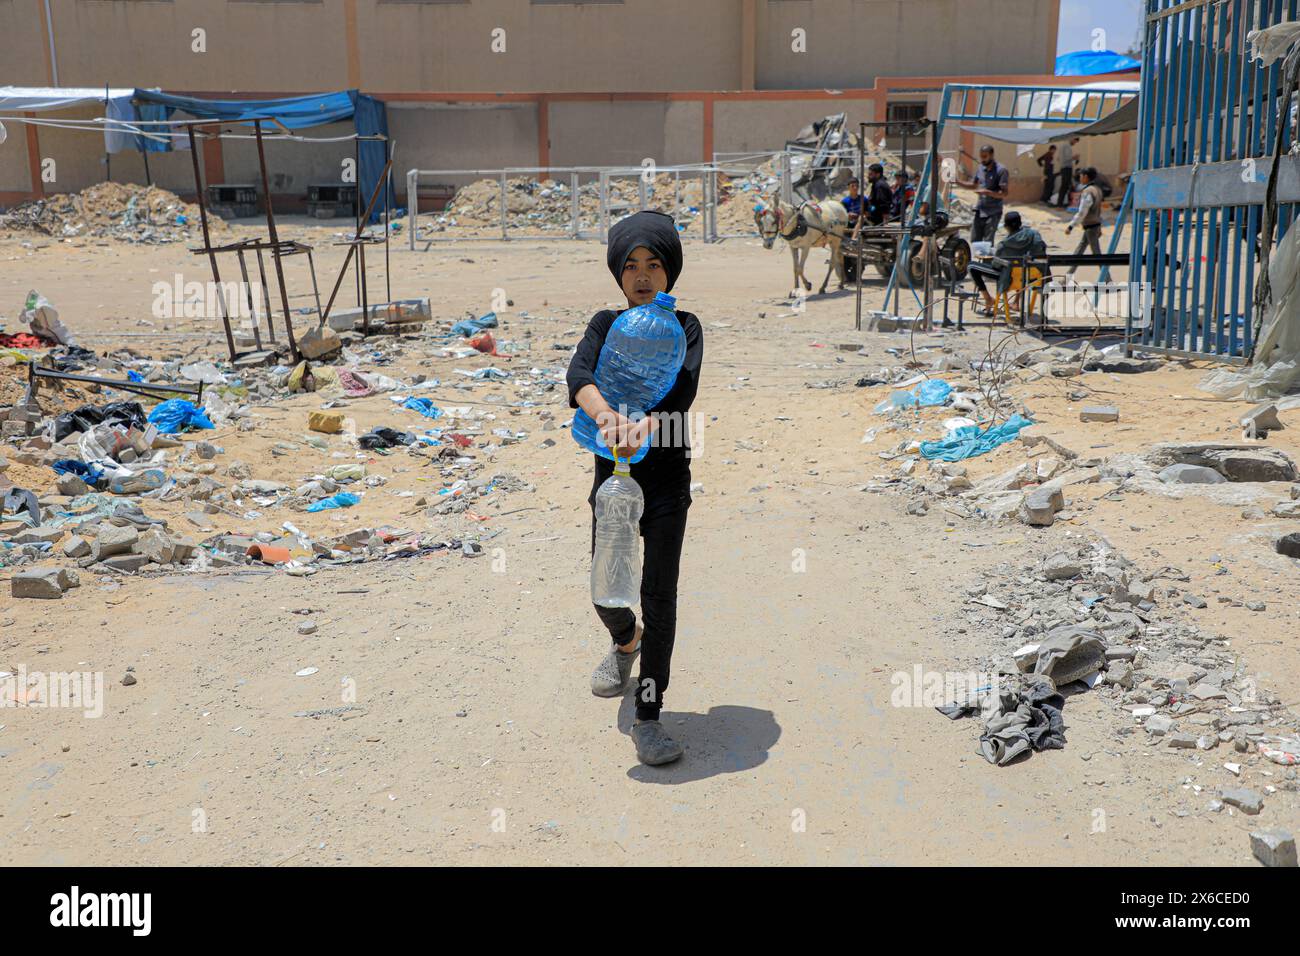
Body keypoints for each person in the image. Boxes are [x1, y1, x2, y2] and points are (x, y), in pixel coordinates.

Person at [566, 210, 704, 767]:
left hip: (667, 477)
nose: (643, 275)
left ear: (669, 272)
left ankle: (649, 715)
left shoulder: (686, 326)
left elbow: (682, 391)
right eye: (631, 266)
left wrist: (645, 424)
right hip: (614, 477)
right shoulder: (603, 323)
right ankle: (626, 642)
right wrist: (605, 419)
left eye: (653, 264)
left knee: (658, 594)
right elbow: (580, 376)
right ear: (618, 275)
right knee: (607, 589)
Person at [967, 210, 1048, 317]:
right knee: (1021, 264)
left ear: (1006, 227)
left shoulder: (1004, 244)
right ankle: (1016, 302)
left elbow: (996, 266)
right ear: (1020, 223)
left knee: (972, 266)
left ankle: (988, 299)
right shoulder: (1035, 235)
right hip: (1034, 277)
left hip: (1010, 279)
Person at [961, 145, 1009, 245]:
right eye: (981, 156)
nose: (982, 159)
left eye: (985, 156)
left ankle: (987, 261)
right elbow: (974, 185)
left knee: (987, 243)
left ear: (991, 155)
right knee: (975, 241)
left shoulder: (1001, 170)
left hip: (993, 212)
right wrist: (957, 182)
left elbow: (1004, 193)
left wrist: (987, 192)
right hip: (980, 211)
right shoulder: (980, 168)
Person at [1065, 166, 1105, 276]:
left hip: (1091, 226)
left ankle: (1107, 280)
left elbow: (1083, 211)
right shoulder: (1097, 190)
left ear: (1086, 177)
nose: (1080, 178)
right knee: (1079, 251)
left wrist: (1071, 226)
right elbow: (1099, 210)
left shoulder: (1087, 191)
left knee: (1097, 255)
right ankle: (1066, 278)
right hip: (1094, 225)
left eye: (1081, 176)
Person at [862, 163, 894, 227]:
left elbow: (883, 203)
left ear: (878, 174)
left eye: (871, 174)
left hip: (877, 220)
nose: (868, 176)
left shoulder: (879, 185)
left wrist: (885, 222)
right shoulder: (877, 184)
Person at [1054, 136, 1080, 207]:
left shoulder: (1062, 146)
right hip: (1067, 168)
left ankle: (1061, 204)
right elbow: (1068, 158)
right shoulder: (1067, 146)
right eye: (1075, 142)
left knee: (1065, 186)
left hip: (1063, 168)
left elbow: (1058, 158)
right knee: (1065, 186)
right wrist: (1075, 157)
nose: (1074, 143)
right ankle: (1060, 205)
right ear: (1072, 139)